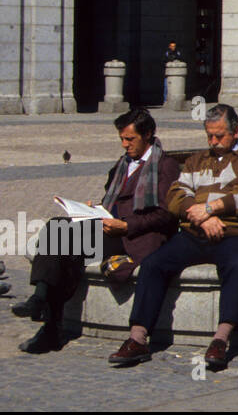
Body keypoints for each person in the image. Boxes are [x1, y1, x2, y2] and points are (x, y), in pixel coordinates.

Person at [108, 104, 238, 370]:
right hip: (196, 232)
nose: (214, 141)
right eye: (209, 135)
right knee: (153, 264)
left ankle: (221, 338)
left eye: (219, 135)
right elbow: (176, 196)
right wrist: (203, 217)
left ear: (235, 131)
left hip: (235, 232)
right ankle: (137, 337)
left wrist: (211, 207)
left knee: (237, 265)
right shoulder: (196, 160)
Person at [15, 108, 179, 354]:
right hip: (109, 227)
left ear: (148, 135)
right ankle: (41, 301)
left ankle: (47, 319)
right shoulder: (123, 163)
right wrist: (96, 208)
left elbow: (167, 215)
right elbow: (113, 200)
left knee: (65, 244)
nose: (124, 145)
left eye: (130, 139)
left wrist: (126, 225)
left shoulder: (165, 166)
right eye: (121, 139)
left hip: (134, 236)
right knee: (57, 227)